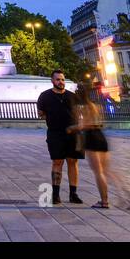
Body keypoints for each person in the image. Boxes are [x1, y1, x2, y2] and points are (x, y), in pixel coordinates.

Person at [72, 82, 130, 210]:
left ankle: (104, 201)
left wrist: (71, 128)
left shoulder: (81, 108)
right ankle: (128, 194)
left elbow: (83, 125)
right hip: (101, 137)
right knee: (107, 170)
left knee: (99, 172)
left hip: (91, 138)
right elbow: (99, 123)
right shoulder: (96, 106)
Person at [36, 71, 83, 205]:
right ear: (52, 81)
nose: (60, 82)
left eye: (62, 79)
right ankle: (55, 194)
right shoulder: (45, 96)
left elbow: (80, 113)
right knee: (57, 162)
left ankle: (73, 193)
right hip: (55, 133)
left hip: (73, 133)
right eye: (57, 79)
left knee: (73, 161)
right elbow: (41, 113)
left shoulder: (72, 96)